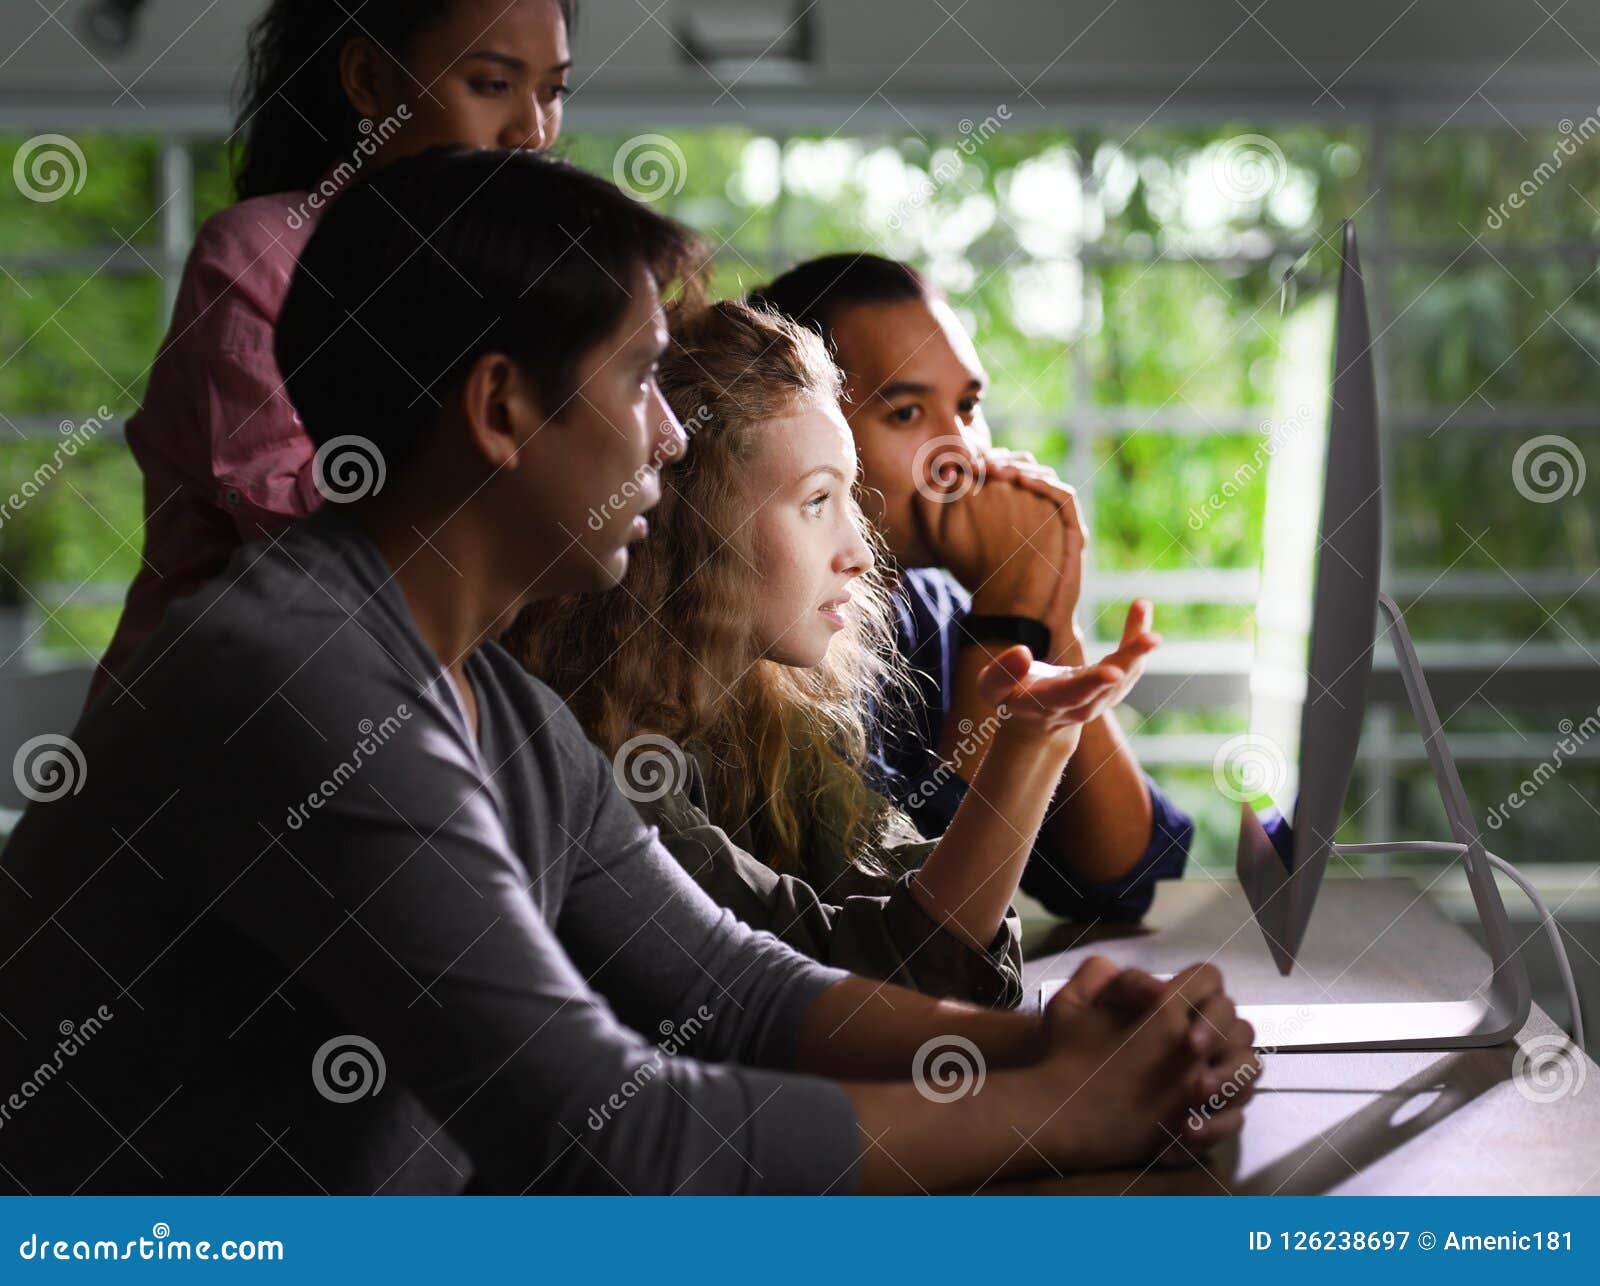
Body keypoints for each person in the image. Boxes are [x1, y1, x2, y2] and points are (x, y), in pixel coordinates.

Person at [0, 149, 1257, 1195]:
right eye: (642, 376)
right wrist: (1061, 1107)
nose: (669, 434)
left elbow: (733, 984)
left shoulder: (492, 703)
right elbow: (612, 1127)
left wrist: (1047, 1039)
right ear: (499, 409)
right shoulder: (300, 681)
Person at [512, 300, 1159, 1008]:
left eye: (848, 498)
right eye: (817, 501)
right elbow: (855, 990)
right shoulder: (601, 756)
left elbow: (937, 947)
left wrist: (1037, 737)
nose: (858, 553)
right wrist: (1019, 752)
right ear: (691, 529)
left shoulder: (782, 710)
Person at [89, 0, 576, 704]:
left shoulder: (530, 278)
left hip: (419, 702)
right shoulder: (262, 254)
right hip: (214, 719)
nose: (532, 131)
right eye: (493, 84)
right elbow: (296, 531)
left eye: (552, 91)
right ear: (370, 81)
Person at [753, 255, 1193, 922]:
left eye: (967, 407)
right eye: (905, 413)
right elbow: (916, 915)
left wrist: (1043, 617)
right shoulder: (766, 635)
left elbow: (1126, 878)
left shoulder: (933, 604)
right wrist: (1010, 620)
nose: (959, 453)